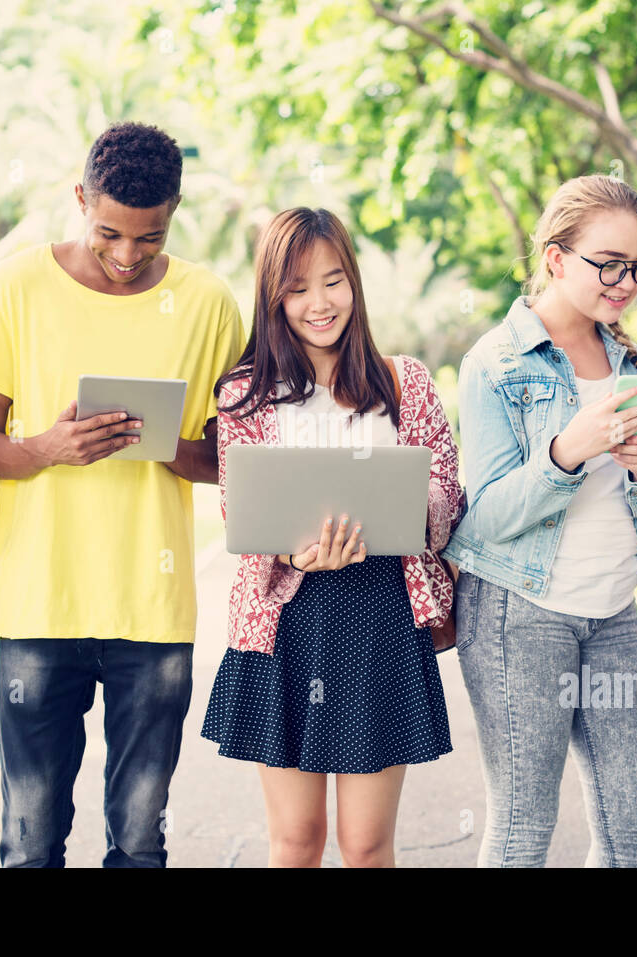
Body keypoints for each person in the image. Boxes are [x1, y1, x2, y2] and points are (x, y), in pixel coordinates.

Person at [0, 122, 245, 868]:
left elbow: (236, 456)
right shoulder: (14, 285)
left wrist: (163, 443)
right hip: (39, 604)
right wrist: (46, 449)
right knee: (28, 843)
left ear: (174, 213)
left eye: (150, 238)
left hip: (152, 612)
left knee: (140, 842)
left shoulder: (208, 302)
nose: (126, 255)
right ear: (80, 198)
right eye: (109, 233)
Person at [202, 207, 463, 867]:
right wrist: (293, 550)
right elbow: (239, 511)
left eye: (333, 281)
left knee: (367, 844)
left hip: (381, 615)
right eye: (297, 288)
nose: (319, 303)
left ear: (354, 282)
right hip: (285, 620)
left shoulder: (404, 382)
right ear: (273, 296)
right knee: (296, 840)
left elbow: (447, 496)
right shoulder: (244, 394)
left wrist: (403, 508)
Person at [441, 175, 637, 867]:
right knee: (524, 829)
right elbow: (487, 515)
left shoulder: (630, 362)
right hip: (520, 614)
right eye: (609, 264)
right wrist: (566, 451)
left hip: (613, 612)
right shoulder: (495, 363)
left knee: (634, 834)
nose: (627, 282)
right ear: (554, 258)